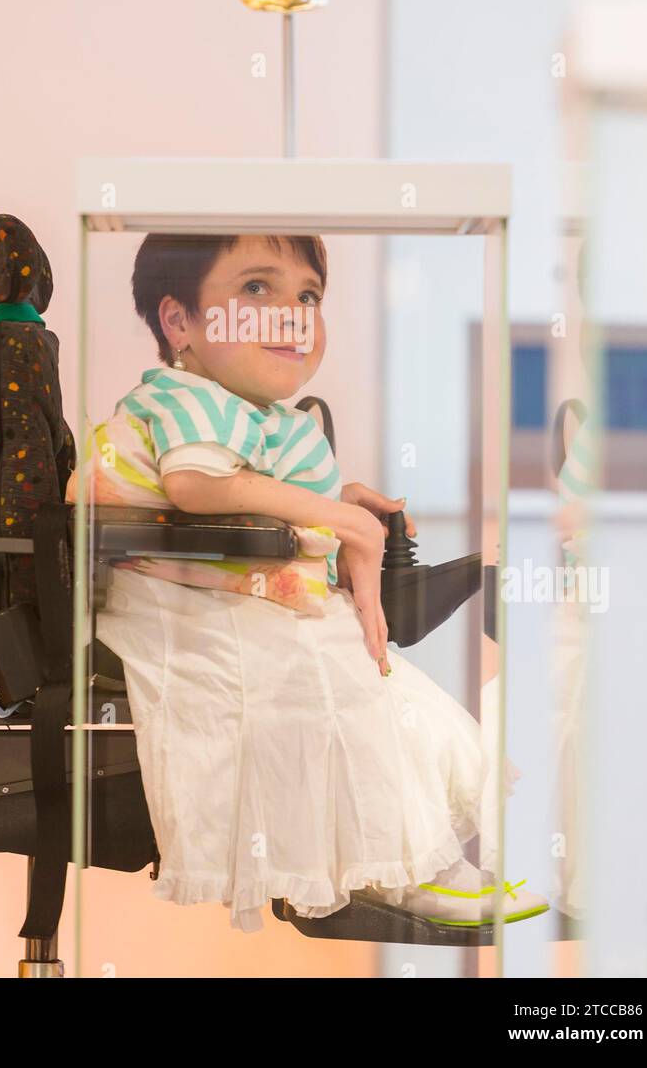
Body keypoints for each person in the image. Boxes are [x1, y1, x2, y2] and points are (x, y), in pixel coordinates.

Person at [65, 232, 549, 934]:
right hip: (179, 605)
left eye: (308, 295)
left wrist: (341, 498)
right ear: (179, 322)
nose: (291, 313)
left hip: (216, 590)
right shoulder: (186, 396)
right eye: (257, 289)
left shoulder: (239, 411)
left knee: (396, 696)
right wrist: (341, 521)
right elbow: (196, 483)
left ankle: (423, 862)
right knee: (351, 695)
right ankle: (405, 867)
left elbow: (237, 480)